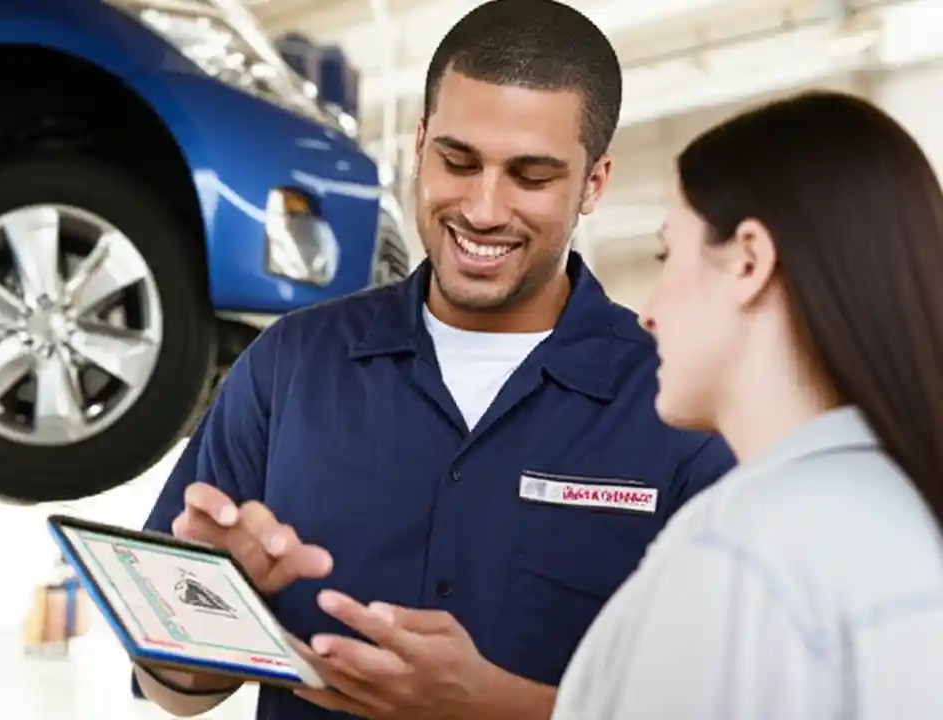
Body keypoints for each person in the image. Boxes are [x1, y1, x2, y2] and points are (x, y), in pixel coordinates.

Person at [136, 1, 736, 717]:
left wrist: (497, 705)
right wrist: (217, 604)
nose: (483, 209)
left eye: (530, 176)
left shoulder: (683, 406)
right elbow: (171, 690)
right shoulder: (288, 369)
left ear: (594, 184)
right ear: (419, 143)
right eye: (457, 161)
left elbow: (734, 698)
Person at [552, 91, 943, 719]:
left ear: (749, 262)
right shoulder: (910, 514)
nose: (648, 311)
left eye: (668, 253)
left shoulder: (737, 555)